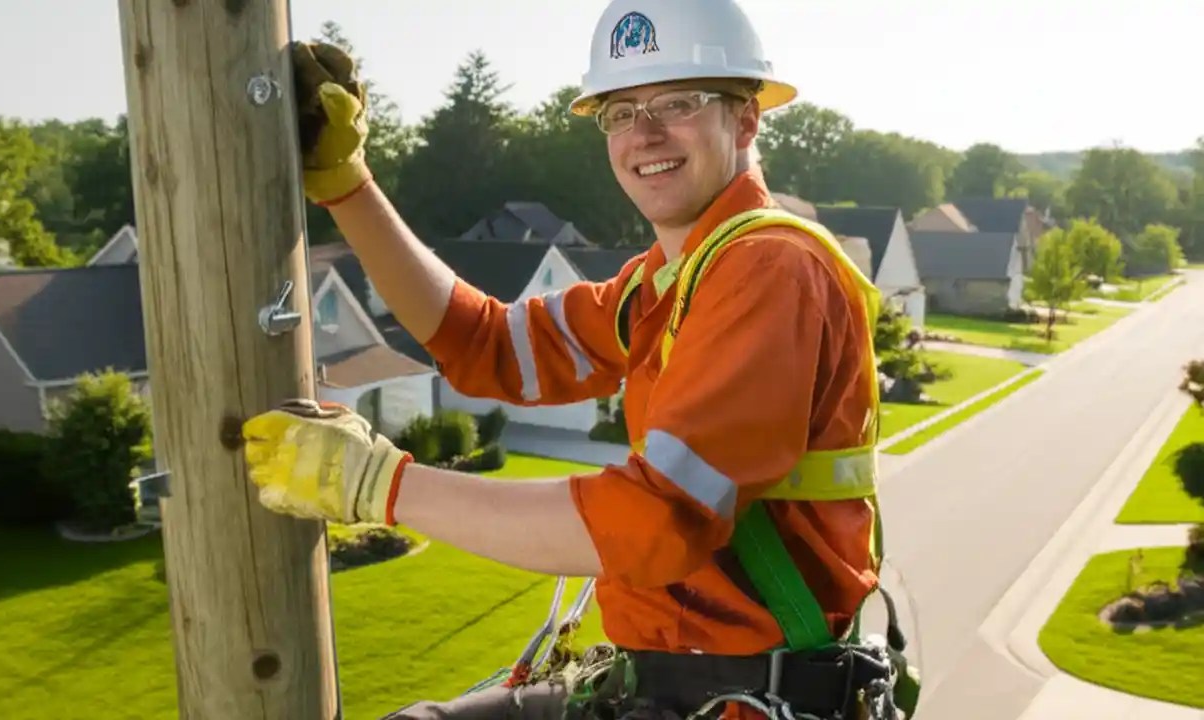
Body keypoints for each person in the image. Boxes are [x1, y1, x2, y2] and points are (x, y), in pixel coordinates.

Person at [243, 1, 916, 718]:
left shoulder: (768, 270)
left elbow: (656, 521)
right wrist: (349, 186)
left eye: (676, 103)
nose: (644, 133)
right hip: (679, 687)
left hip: (740, 699)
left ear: (746, 118)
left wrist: (377, 483)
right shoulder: (668, 280)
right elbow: (488, 346)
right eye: (621, 111)